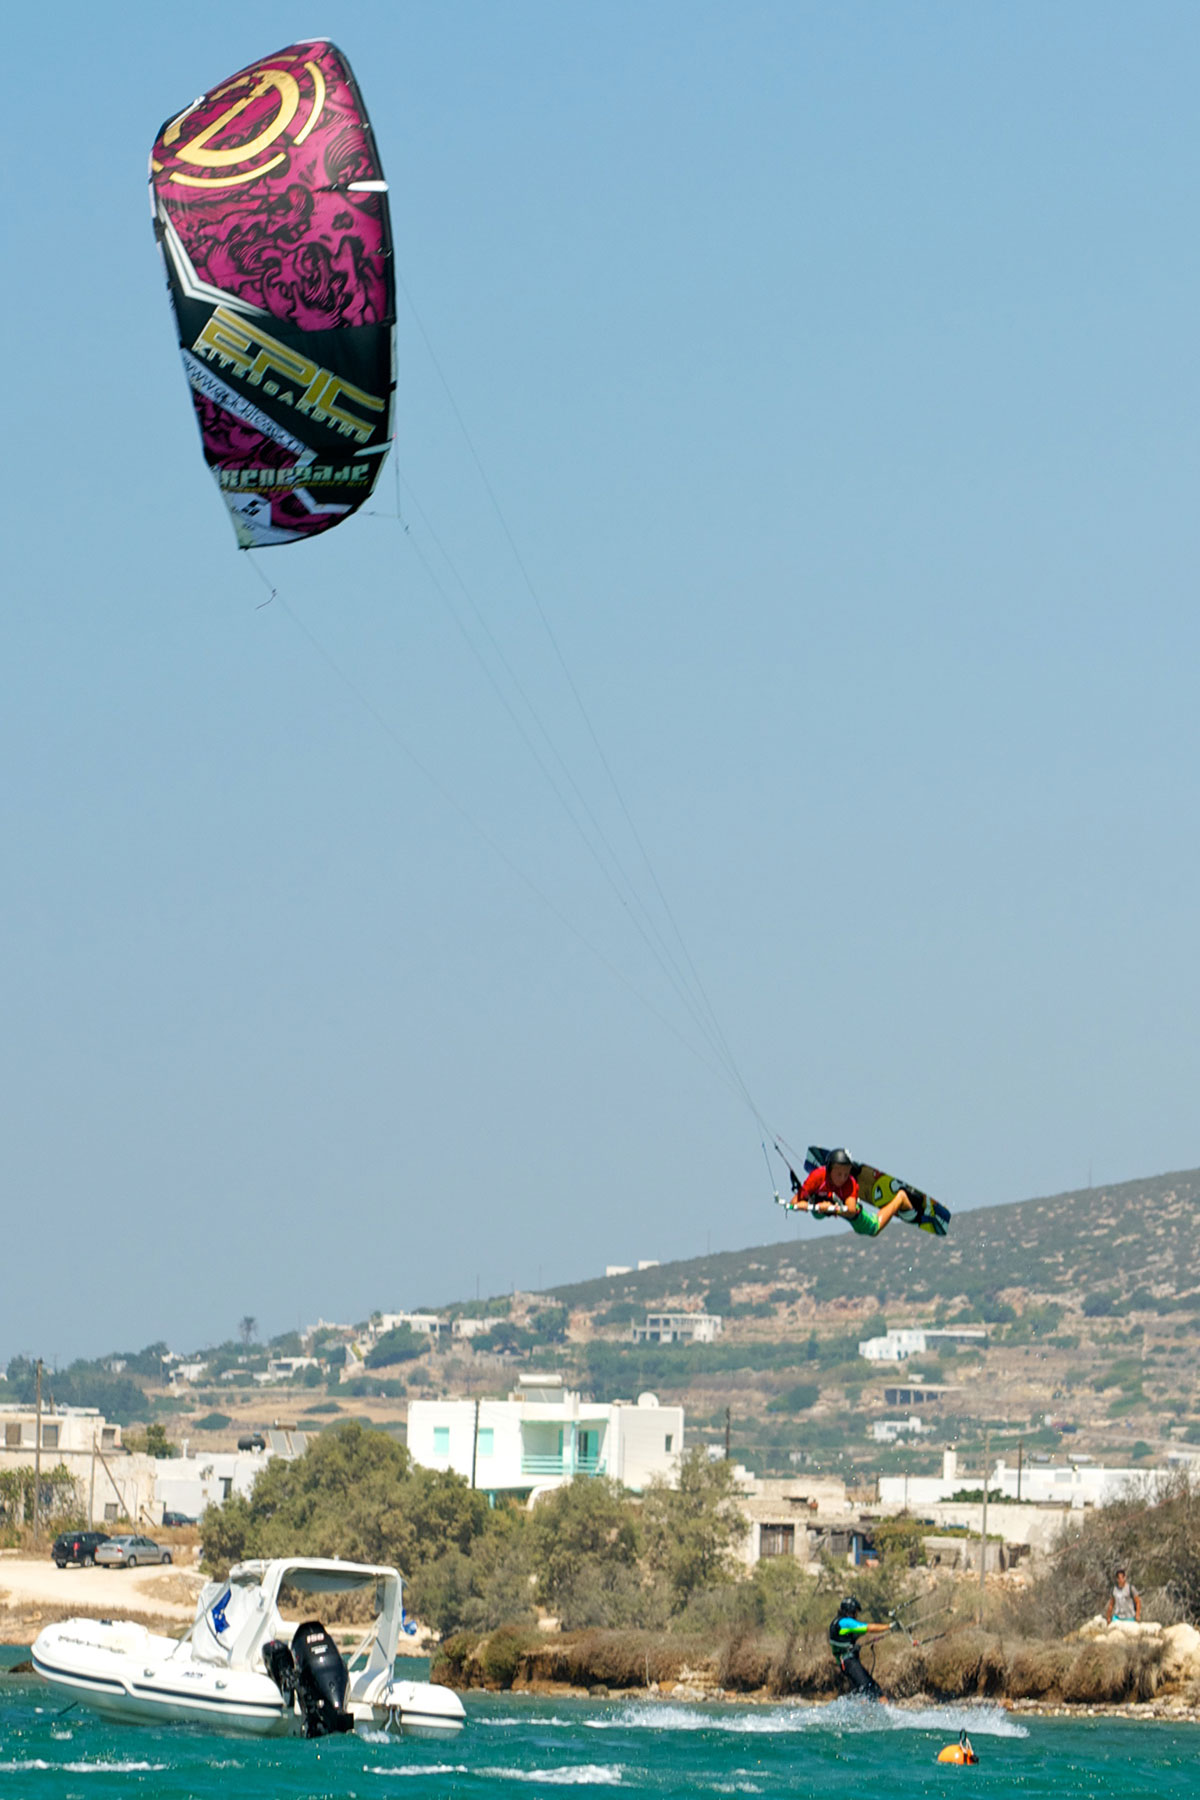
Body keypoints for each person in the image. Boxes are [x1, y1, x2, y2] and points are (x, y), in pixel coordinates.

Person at [793, 1149, 911, 1238]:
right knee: (817, 1214)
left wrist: (831, 1208)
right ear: (829, 1170)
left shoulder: (850, 1183)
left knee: (873, 1229)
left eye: (846, 1174)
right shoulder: (817, 1176)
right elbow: (794, 1201)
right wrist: (803, 1204)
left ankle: (900, 1198)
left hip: (846, 1209)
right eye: (839, 1174)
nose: (842, 1178)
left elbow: (851, 1210)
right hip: (823, 1205)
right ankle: (820, 1205)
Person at [828, 1595, 897, 1699]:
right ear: (850, 1611)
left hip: (845, 1664)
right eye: (855, 1612)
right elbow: (869, 1628)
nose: (856, 1615)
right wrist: (890, 1626)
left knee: (869, 1689)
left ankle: (872, 1707)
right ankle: (880, 1708)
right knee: (869, 1689)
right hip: (850, 1663)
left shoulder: (837, 1623)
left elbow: (856, 1633)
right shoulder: (846, 1622)